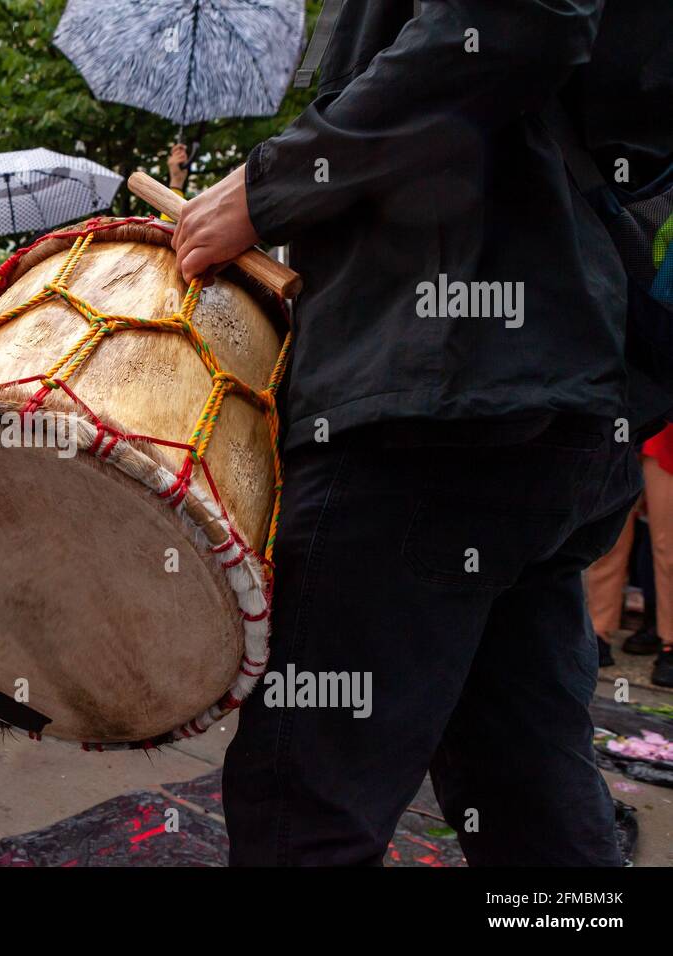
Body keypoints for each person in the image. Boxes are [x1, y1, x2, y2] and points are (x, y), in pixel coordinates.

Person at [173, 1, 669, 865]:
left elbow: (521, 19)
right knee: (525, 784)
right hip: (546, 386)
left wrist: (266, 187)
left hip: (433, 400)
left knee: (307, 807)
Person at [587, 424, 673, 687]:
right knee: (606, 541)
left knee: (668, 545)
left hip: (665, 435)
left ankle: (670, 642)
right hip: (623, 428)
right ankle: (597, 631)